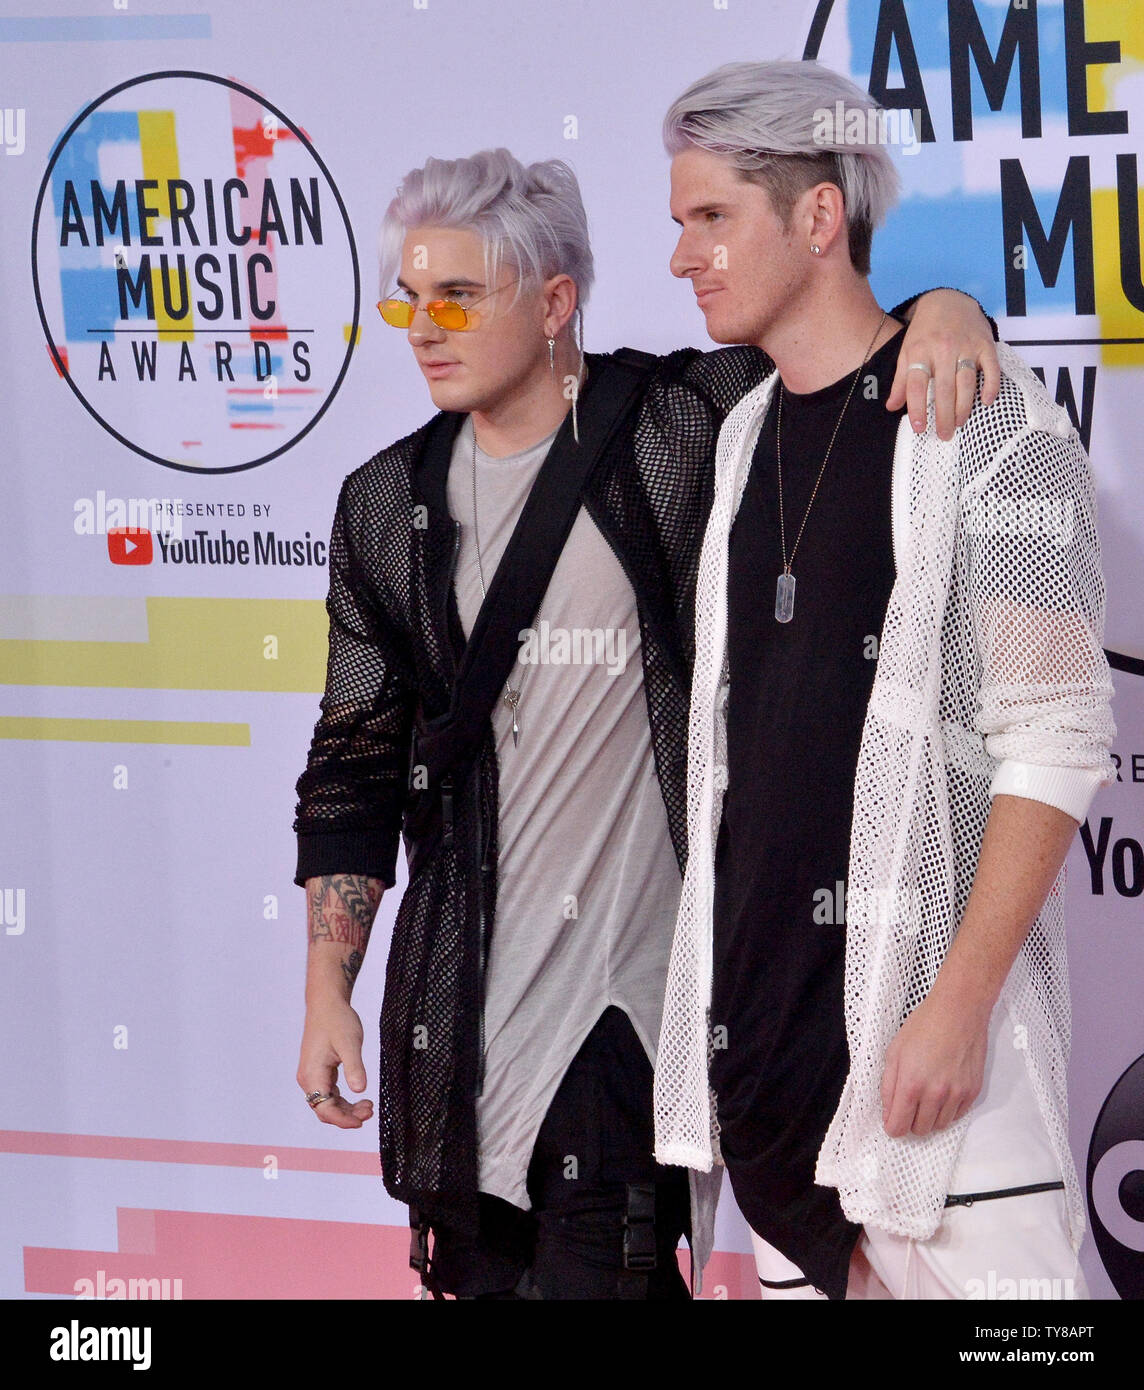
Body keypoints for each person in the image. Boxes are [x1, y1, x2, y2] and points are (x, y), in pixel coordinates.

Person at [293, 146, 999, 1299]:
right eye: (407, 299)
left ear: (556, 299)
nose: (422, 326)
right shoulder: (385, 504)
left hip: (624, 1026)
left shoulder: (680, 425)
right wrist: (329, 986)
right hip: (455, 1031)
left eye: (458, 295)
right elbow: (353, 760)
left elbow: (838, 349)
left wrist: (946, 308)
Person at [653, 60, 1116, 1301]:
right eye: (677, 222)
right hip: (774, 1104)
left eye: (712, 218)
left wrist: (960, 1004)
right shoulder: (739, 435)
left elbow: (1057, 731)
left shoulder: (989, 421)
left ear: (815, 217)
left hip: (940, 1092)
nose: (685, 254)